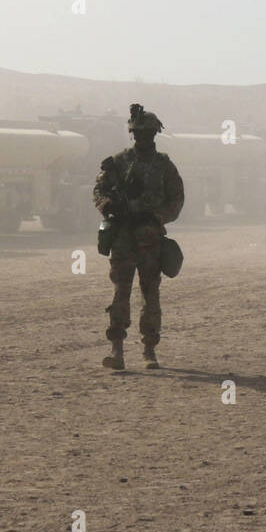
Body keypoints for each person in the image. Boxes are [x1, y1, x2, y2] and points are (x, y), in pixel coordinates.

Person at [92, 104, 185, 370]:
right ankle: (117, 349)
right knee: (120, 292)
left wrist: (157, 216)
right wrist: (107, 205)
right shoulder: (118, 163)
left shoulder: (164, 166)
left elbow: (177, 199)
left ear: (155, 135)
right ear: (133, 134)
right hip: (123, 236)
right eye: (139, 133)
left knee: (150, 293)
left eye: (148, 134)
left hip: (150, 238)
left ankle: (149, 349)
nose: (143, 138)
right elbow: (98, 190)